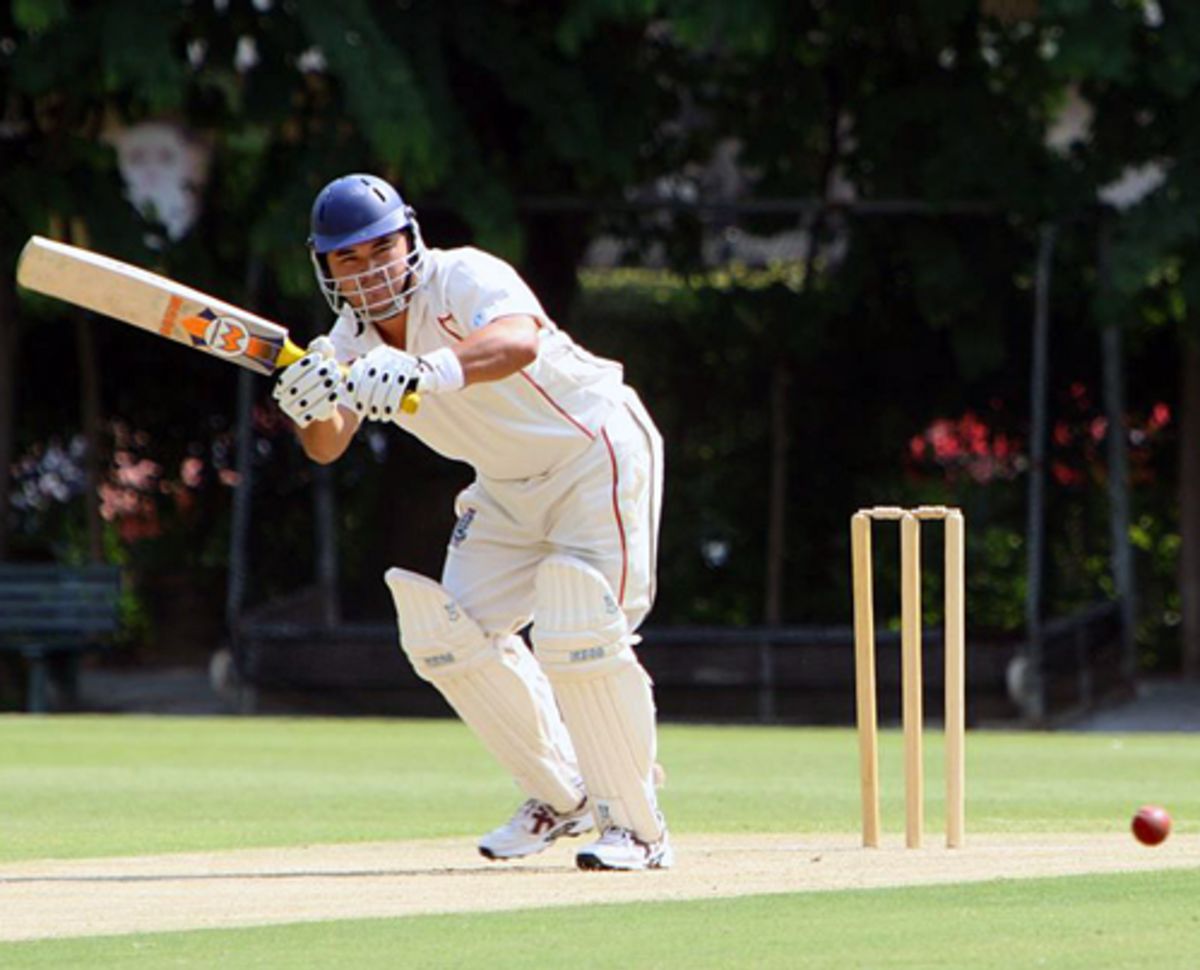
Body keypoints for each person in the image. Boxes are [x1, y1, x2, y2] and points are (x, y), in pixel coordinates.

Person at [271, 174, 671, 871]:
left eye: (380, 250)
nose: (369, 270)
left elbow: (517, 340)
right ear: (326, 267)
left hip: (593, 455)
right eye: (349, 260)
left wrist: (427, 370)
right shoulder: (346, 345)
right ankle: (561, 795)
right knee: (444, 632)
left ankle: (636, 828)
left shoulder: (464, 277)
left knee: (581, 629)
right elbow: (329, 443)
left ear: (409, 241)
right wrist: (308, 403)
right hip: (506, 491)